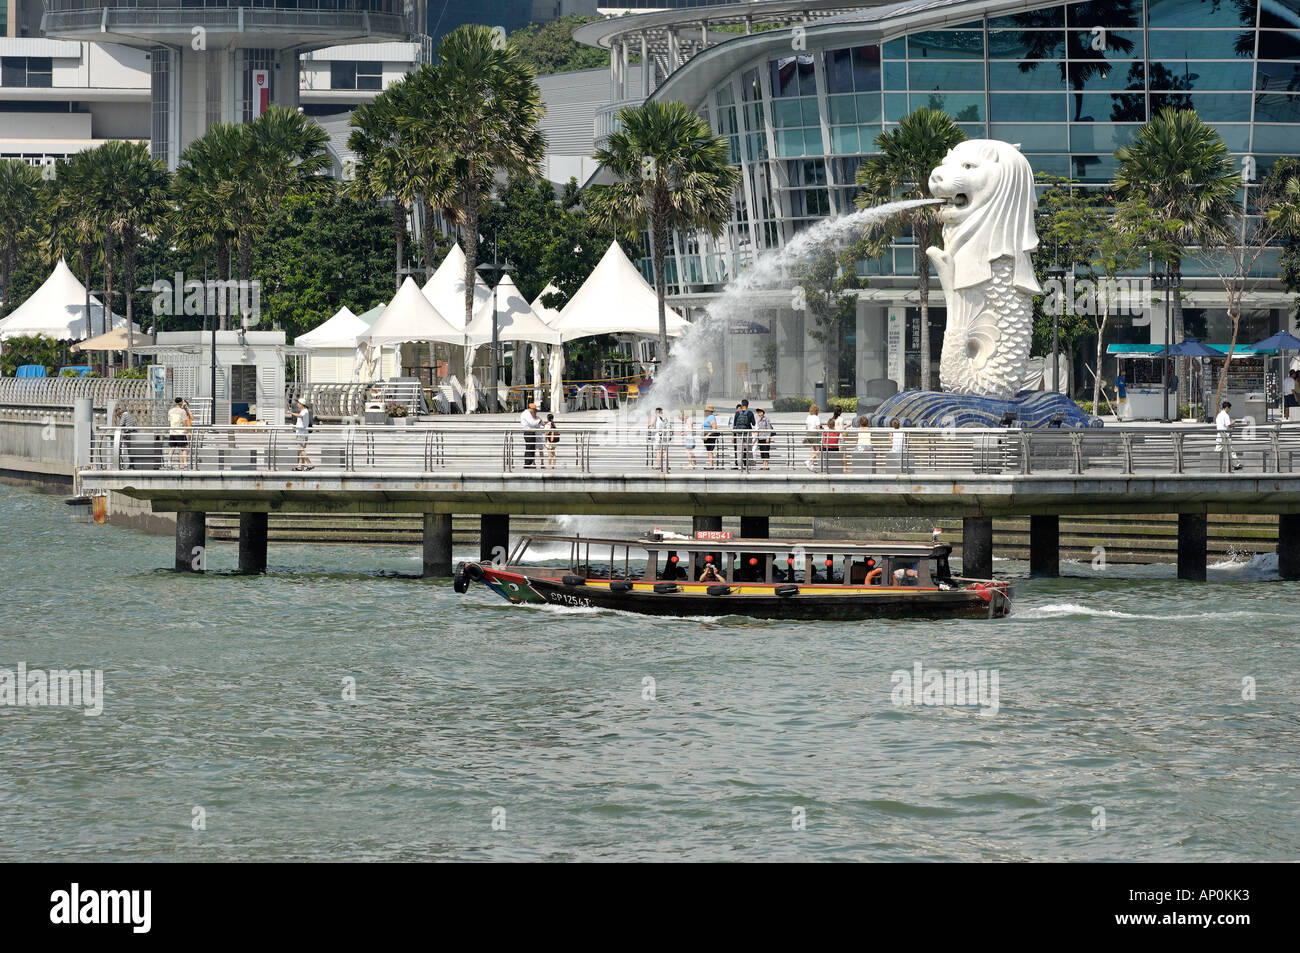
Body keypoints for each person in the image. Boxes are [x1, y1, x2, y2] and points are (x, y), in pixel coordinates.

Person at [1215, 400, 1242, 470]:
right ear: (1227, 407)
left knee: (1217, 450)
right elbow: (1228, 425)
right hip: (1225, 436)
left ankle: (1213, 462)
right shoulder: (1226, 415)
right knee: (1231, 450)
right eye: (1229, 408)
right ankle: (1236, 464)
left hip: (1219, 435)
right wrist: (1233, 422)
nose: (1229, 410)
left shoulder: (1219, 415)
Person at [166, 397, 192, 469]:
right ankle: (186, 464)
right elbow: (184, 422)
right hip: (180, 432)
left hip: (172, 432)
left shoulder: (170, 411)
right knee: (183, 448)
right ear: (181, 403)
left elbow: (169, 420)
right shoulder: (182, 411)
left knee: (172, 448)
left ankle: (169, 464)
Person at [290, 398, 313, 470]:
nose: (297, 404)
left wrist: (291, 413)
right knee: (300, 451)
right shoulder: (304, 411)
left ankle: (310, 464)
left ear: (301, 404)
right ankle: (299, 467)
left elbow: (300, 416)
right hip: (302, 433)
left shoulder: (304, 411)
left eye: (298, 403)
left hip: (301, 434)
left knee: (301, 450)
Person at [731, 399, 755, 469]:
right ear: (748, 405)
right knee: (749, 449)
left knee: (739, 450)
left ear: (741, 405)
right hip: (747, 433)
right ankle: (750, 465)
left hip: (739, 433)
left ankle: (739, 465)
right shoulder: (750, 413)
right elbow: (754, 423)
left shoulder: (737, 413)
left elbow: (734, 424)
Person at [520, 402, 542, 468]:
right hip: (528, 432)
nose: (535, 412)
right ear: (531, 409)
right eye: (534, 410)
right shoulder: (526, 414)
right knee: (529, 448)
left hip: (532, 432)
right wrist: (539, 421)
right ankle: (527, 464)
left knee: (532, 448)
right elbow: (532, 423)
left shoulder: (529, 414)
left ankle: (529, 463)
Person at [804, 403, 821, 471]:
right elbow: (818, 428)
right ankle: (809, 461)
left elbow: (806, 427)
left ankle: (812, 464)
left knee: (813, 450)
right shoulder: (816, 417)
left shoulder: (808, 417)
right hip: (814, 434)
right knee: (818, 450)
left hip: (808, 434)